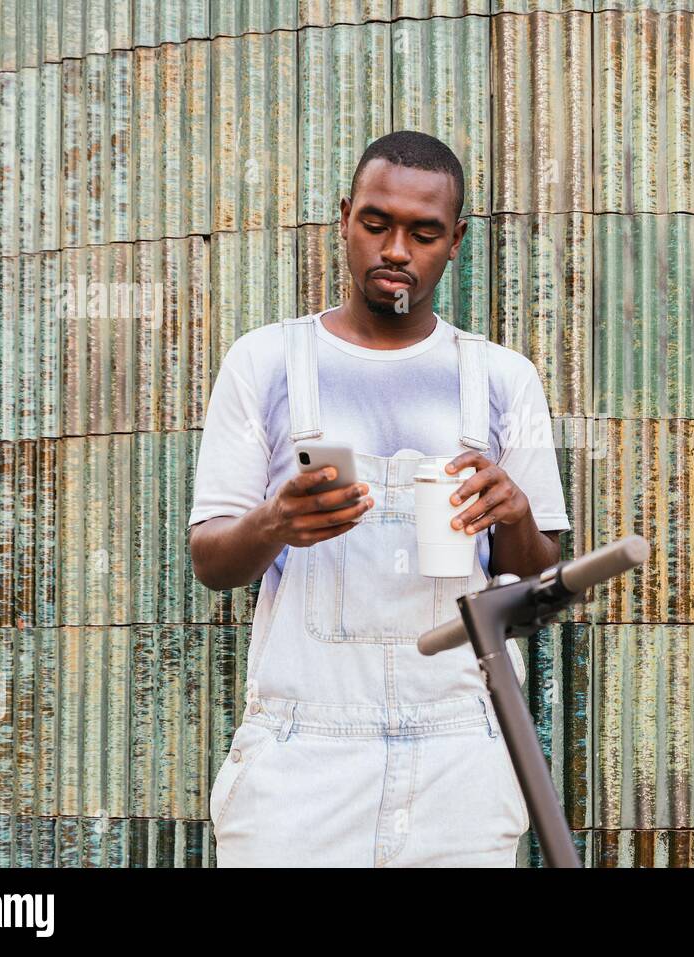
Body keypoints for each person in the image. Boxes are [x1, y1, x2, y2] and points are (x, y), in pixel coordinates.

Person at [187, 130, 571, 866]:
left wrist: (515, 514)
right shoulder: (265, 362)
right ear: (343, 218)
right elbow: (210, 560)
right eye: (376, 223)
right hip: (302, 758)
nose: (396, 249)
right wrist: (275, 521)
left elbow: (534, 589)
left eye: (423, 233)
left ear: (455, 240)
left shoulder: (501, 378)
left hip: (462, 749)